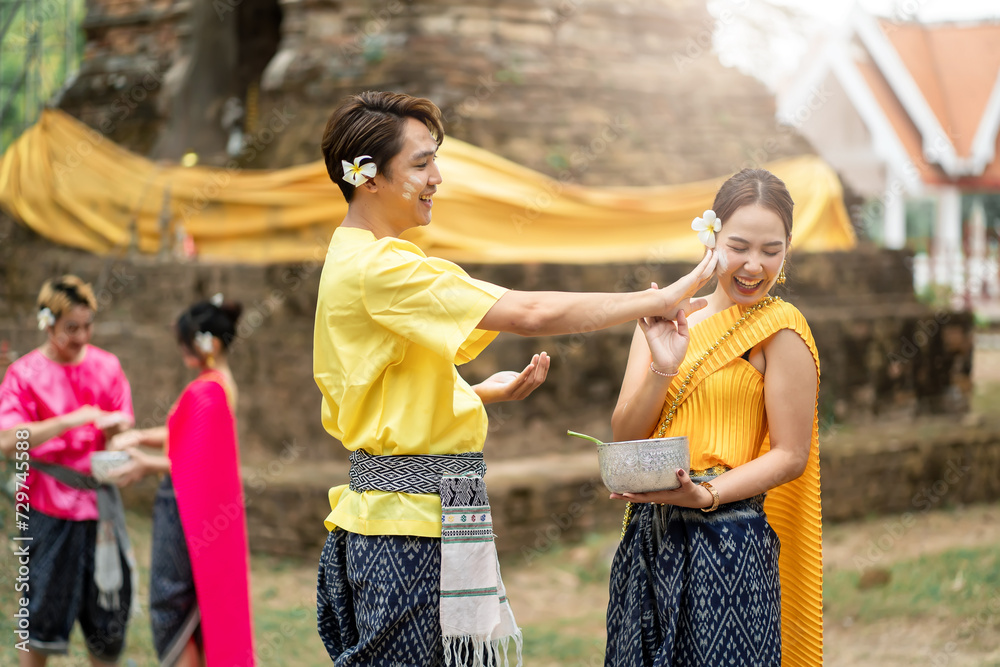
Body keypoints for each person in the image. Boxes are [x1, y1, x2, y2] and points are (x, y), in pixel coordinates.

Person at [313, 90, 719, 667]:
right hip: (405, 527)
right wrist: (655, 300)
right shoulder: (380, 267)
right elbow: (531, 314)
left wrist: (474, 393)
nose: (438, 177)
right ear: (369, 178)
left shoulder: (358, 256)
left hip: (406, 513)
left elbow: (369, 383)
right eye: (422, 163)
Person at [604, 169, 823, 666]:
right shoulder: (664, 318)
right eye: (739, 246)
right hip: (649, 538)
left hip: (730, 540)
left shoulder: (780, 331)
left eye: (771, 249)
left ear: (788, 248)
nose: (753, 265)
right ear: (711, 240)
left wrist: (705, 494)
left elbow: (791, 455)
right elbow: (625, 436)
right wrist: (666, 362)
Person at [107, 296, 256, 666]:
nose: (182, 348)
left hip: (186, 507)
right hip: (192, 504)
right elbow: (184, 438)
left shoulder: (209, 391)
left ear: (211, 344)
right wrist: (140, 438)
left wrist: (147, 465)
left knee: (171, 601)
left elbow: (198, 465)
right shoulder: (217, 385)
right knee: (189, 601)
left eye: (187, 340)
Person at [0, 275, 136, 667]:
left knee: (107, 619)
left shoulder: (106, 365)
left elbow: (123, 422)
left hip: (101, 509)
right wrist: (73, 419)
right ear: (48, 323)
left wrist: (118, 431)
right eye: (70, 328)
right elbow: (10, 441)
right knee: (39, 619)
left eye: (87, 326)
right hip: (47, 510)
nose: (81, 336)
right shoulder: (25, 374)